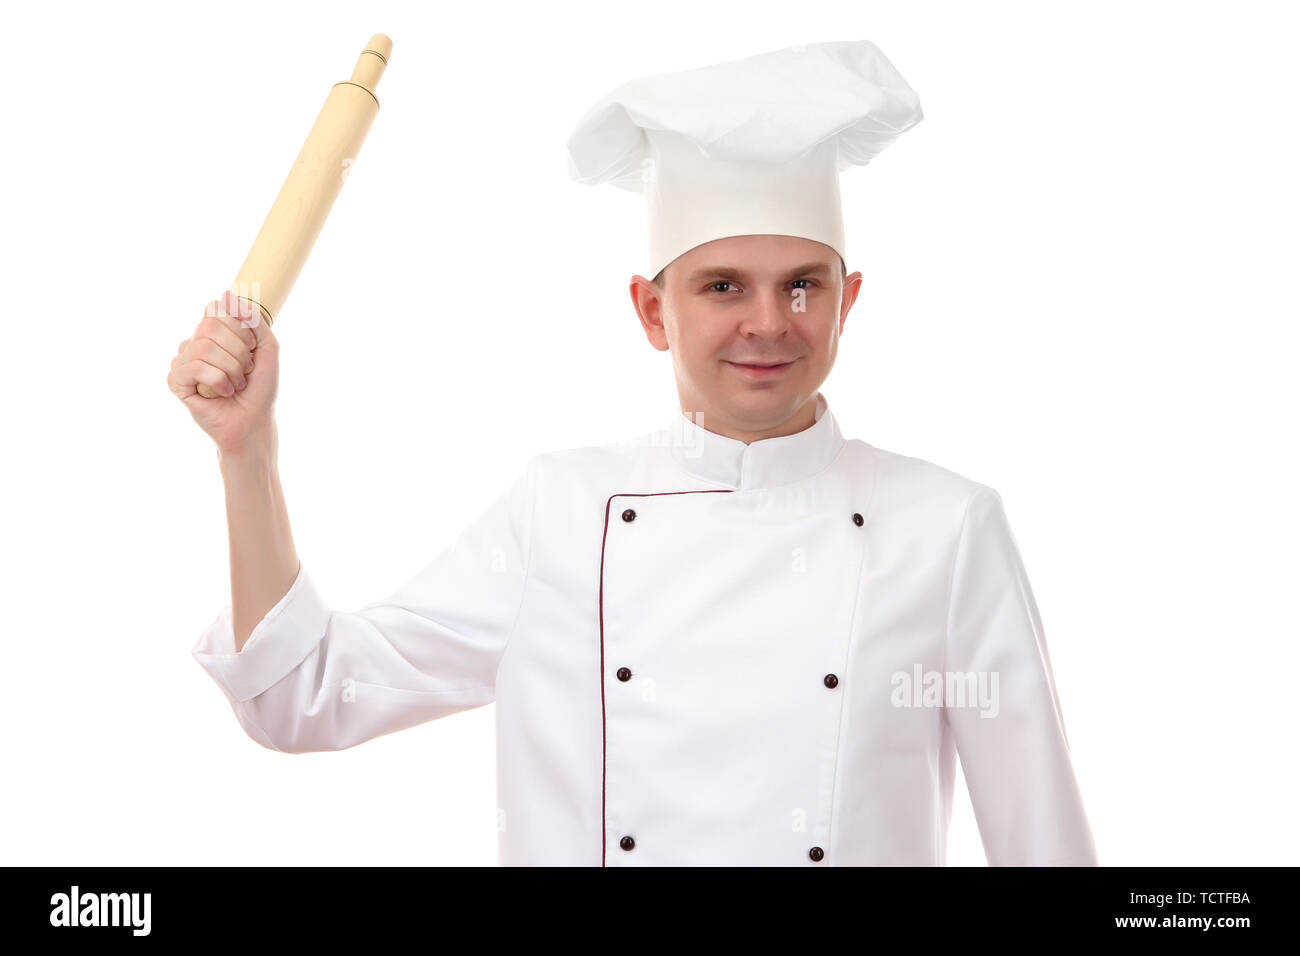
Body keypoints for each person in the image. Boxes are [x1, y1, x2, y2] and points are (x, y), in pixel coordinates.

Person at [168, 40, 1098, 866]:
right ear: (654, 311)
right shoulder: (561, 512)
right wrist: (247, 453)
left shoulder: (945, 528)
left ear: (849, 301)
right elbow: (304, 696)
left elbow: (1044, 846)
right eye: (723, 285)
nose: (770, 323)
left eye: (803, 286)